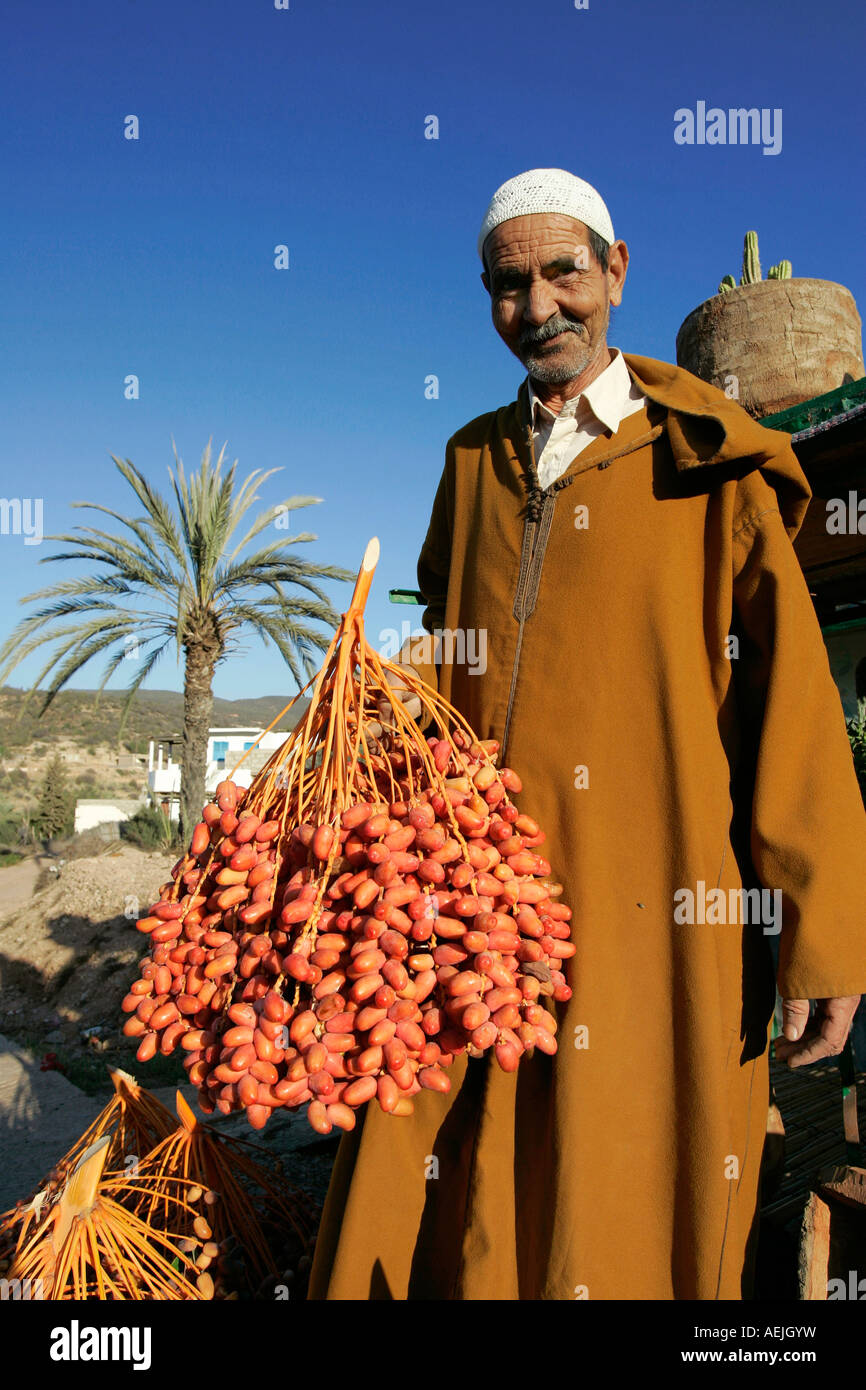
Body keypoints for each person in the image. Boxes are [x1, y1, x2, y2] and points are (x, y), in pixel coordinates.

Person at [308, 168, 866, 1300]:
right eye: (507, 284)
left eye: (562, 270)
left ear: (614, 273)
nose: (538, 304)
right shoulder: (468, 463)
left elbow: (794, 695)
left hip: (651, 894)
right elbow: (432, 666)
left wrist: (822, 929)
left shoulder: (703, 458)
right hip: (463, 906)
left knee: (620, 1184)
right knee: (436, 1175)